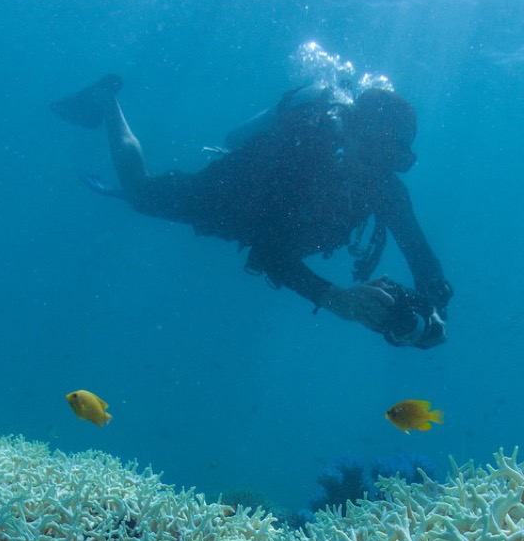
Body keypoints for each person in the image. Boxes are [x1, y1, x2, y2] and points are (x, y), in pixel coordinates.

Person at [50, 73, 452, 348]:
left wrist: (434, 310)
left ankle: (104, 101)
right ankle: (107, 100)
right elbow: (269, 249)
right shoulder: (306, 151)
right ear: (360, 135)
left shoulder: (386, 189)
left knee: (141, 195)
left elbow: (421, 254)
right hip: (226, 199)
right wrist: (336, 299)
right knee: (139, 193)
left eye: (401, 158)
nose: (387, 167)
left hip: (277, 227)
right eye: (383, 151)